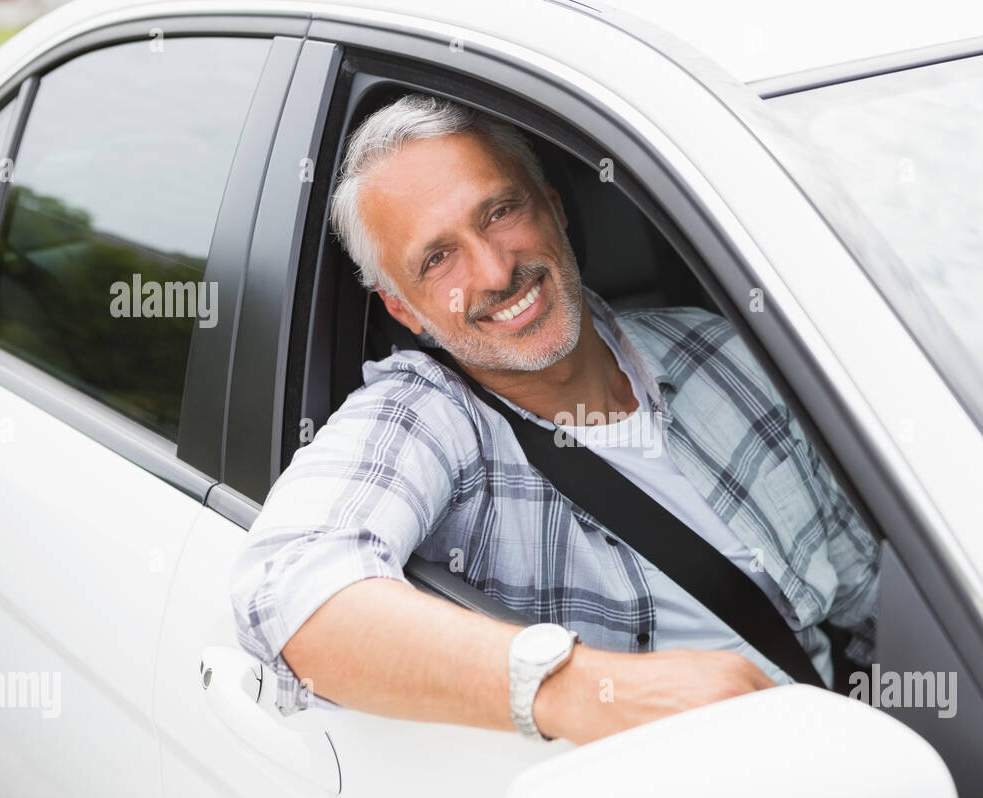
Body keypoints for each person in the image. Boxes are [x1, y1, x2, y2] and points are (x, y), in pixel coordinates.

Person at [229, 93, 879, 746]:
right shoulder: (425, 417)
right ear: (405, 312)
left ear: (554, 204)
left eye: (500, 211)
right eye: (437, 258)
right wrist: (572, 689)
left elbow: (872, 597)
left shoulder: (721, 351)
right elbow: (285, 592)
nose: (495, 271)